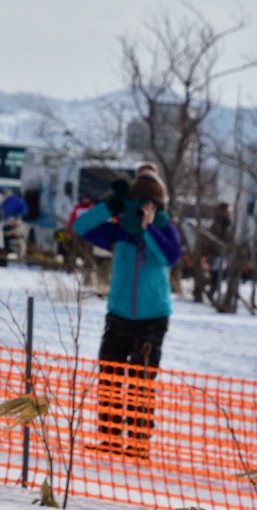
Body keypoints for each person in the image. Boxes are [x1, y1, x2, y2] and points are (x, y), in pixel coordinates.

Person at [73, 169, 181, 458]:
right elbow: (80, 227)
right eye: (138, 202)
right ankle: (108, 439)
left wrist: (149, 228)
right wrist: (111, 206)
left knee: (141, 382)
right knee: (109, 377)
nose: (143, 209)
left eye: (151, 204)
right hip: (119, 313)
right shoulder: (119, 229)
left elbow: (169, 256)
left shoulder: (165, 229)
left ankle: (137, 444)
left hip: (153, 317)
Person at [205, 202, 233, 298]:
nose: (228, 213)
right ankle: (211, 292)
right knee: (216, 276)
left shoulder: (228, 224)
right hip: (216, 254)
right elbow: (212, 240)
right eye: (226, 211)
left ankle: (213, 292)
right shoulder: (217, 224)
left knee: (220, 276)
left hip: (224, 254)